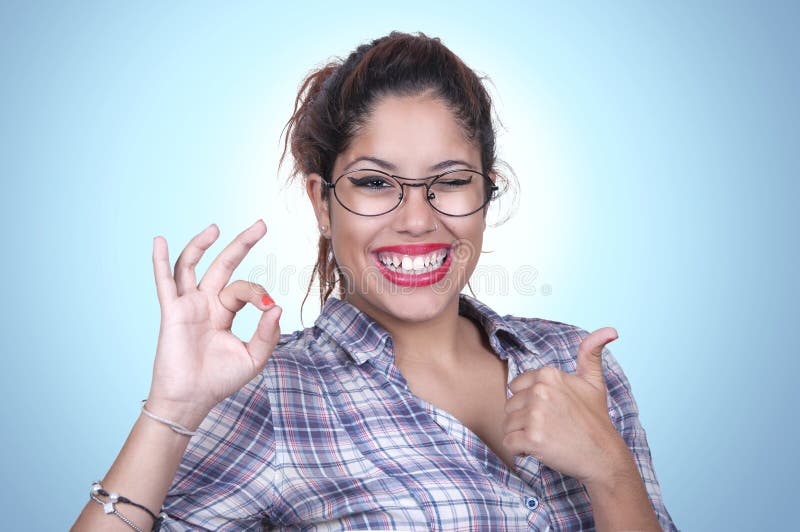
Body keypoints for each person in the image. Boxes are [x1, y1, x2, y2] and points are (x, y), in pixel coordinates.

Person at [73, 31, 676, 531]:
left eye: (451, 179)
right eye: (374, 182)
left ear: (487, 192)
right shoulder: (273, 393)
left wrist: (611, 471)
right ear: (321, 200)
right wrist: (171, 409)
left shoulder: (577, 362)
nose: (418, 219)